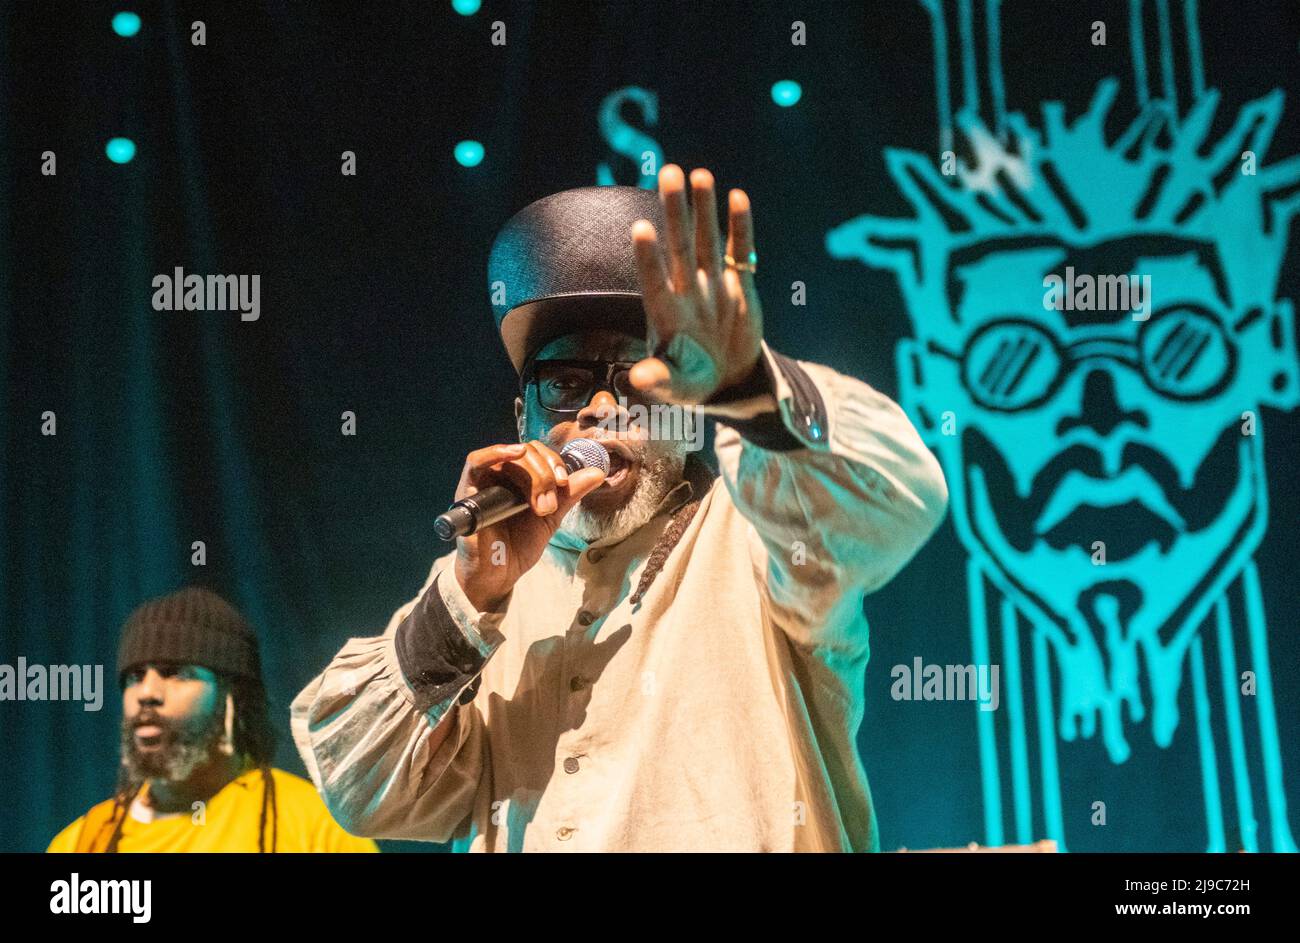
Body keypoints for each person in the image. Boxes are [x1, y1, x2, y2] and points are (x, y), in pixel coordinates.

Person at [292, 165, 949, 851]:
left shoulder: (760, 531)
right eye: (567, 383)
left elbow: (901, 494)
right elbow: (360, 792)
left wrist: (750, 381)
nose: (603, 410)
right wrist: (467, 592)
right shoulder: (481, 586)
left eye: (639, 383)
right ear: (525, 419)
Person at [48, 586, 378, 853]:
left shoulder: (310, 825)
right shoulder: (82, 843)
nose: (147, 692)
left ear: (231, 696)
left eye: (175, 673)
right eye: (134, 676)